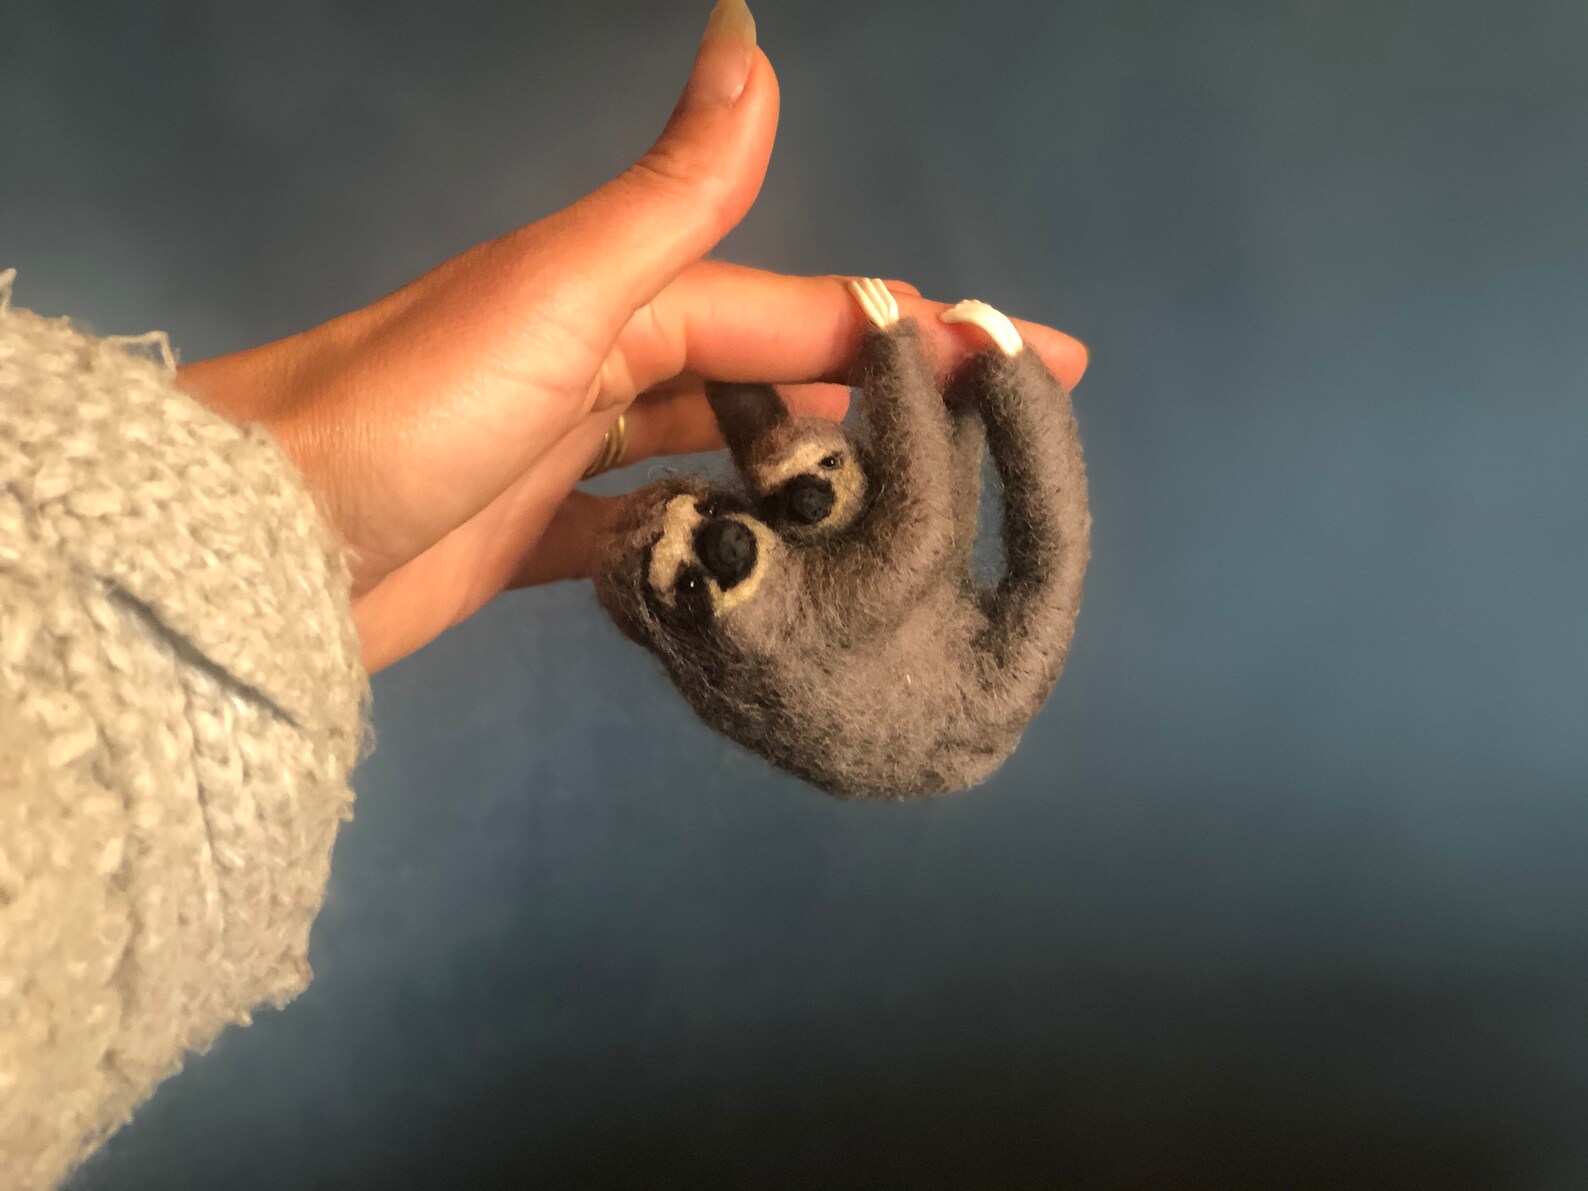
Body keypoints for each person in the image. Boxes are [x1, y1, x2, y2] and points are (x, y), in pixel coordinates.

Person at [0, 2, 1088, 1186]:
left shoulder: (768, 611)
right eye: (713, 539)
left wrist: (201, 544)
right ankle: (976, 397)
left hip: (878, 648)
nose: (704, 519)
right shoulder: (821, 613)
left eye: (703, 529)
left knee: (892, 504)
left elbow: (862, 509)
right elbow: (919, 528)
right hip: (915, 662)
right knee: (970, 528)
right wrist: (918, 367)